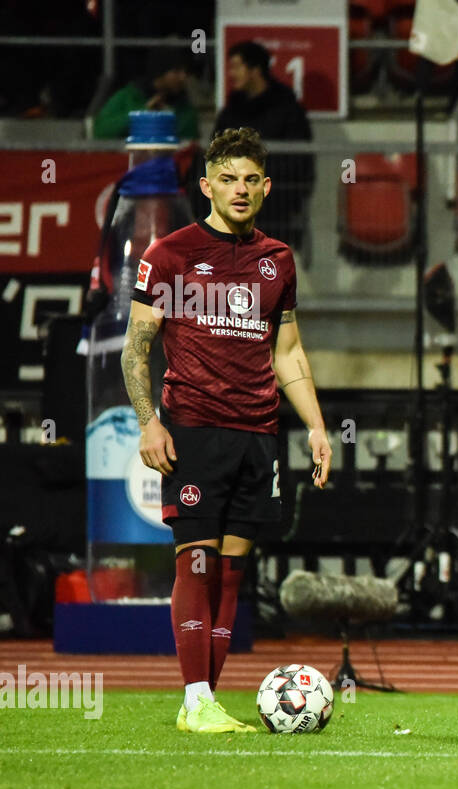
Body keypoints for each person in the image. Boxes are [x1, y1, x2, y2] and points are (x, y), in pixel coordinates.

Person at [122, 127, 332, 732]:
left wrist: (317, 428)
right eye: (228, 179)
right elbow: (136, 350)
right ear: (206, 184)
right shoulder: (169, 255)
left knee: (231, 575)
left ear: (266, 187)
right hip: (192, 430)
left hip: (258, 435)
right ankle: (195, 699)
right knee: (194, 565)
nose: (239, 190)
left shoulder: (278, 260)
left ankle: (203, 705)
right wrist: (147, 423)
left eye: (250, 180)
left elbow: (287, 353)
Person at [213, 41, 313, 250]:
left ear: (255, 70)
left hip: (275, 212)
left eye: (237, 67)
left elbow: (299, 164)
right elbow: (213, 155)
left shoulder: (288, 110)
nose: (231, 74)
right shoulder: (231, 112)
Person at [93, 49, 198, 141]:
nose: (183, 77)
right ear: (159, 73)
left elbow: (190, 141)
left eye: (185, 72)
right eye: (176, 71)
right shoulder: (128, 96)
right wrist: (143, 113)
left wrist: (167, 118)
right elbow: (101, 132)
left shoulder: (185, 108)